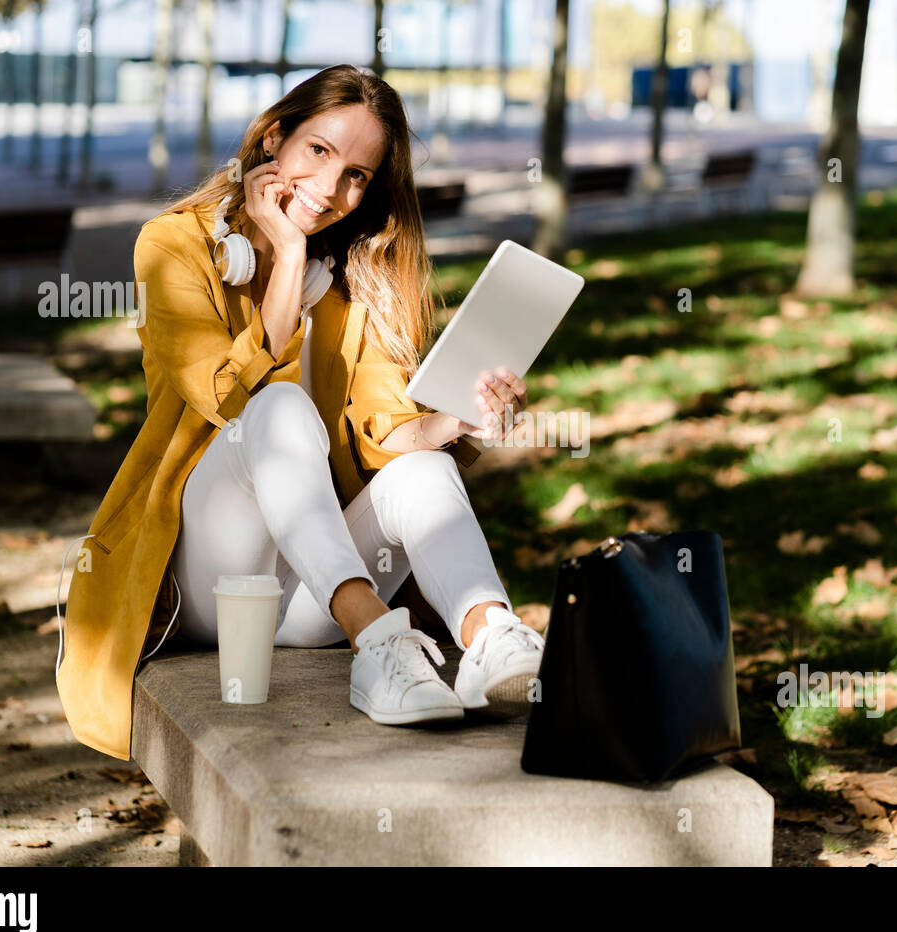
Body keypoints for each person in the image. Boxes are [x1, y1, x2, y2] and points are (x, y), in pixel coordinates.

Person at [57, 65, 544, 761]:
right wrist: (285, 256)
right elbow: (226, 397)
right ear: (274, 140)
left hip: (312, 593)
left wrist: (459, 421)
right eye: (319, 151)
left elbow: (387, 435)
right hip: (211, 583)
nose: (331, 187)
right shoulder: (173, 246)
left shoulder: (355, 275)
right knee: (280, 406)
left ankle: (493, 637)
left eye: (357, 175)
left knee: (424, 470)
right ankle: (379, 643)